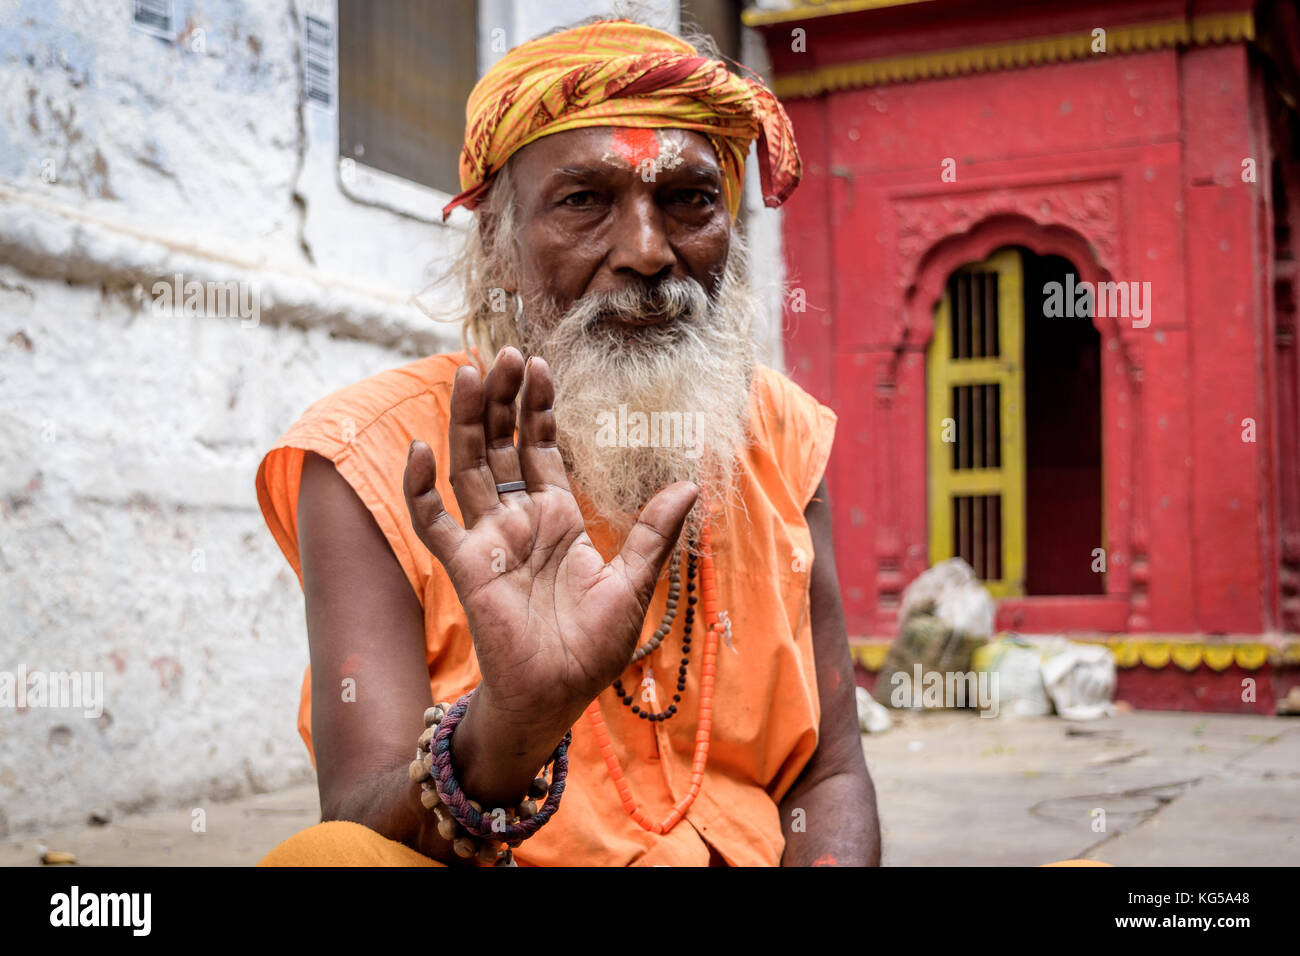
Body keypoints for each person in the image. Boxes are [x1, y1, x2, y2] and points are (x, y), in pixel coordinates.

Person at [255, 17, 881, 867]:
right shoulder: (373, 458)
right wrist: (509, 724)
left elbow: (831, 773)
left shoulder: (781, 434)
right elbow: (361, 816)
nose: (648, 252)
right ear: (500, 248)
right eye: (584, 200)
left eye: (689, 198)